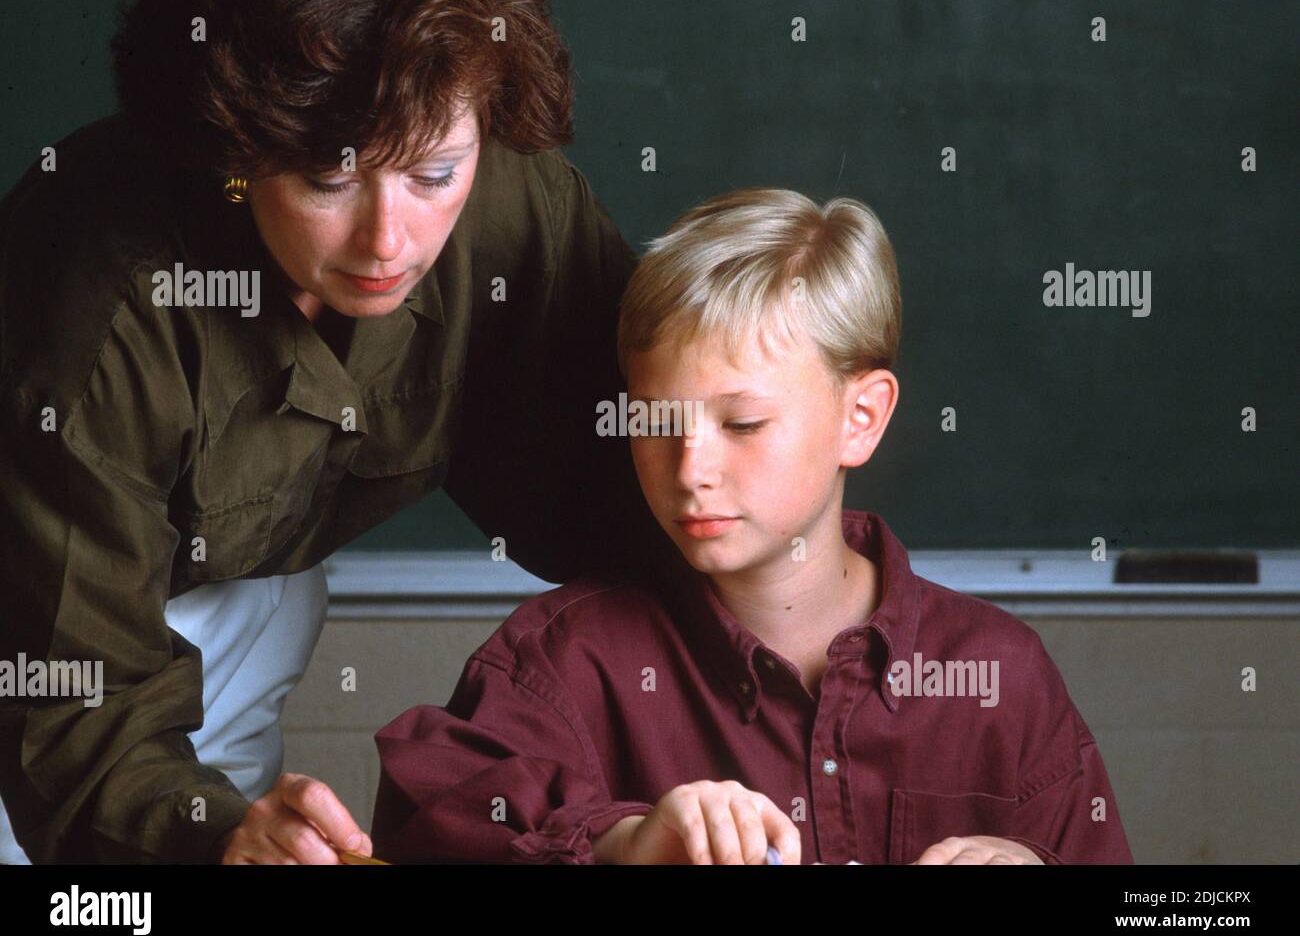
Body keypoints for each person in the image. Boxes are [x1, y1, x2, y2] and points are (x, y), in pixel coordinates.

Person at [0, 0, 672, 864]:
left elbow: (662, 501)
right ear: (233, 151)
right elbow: (74, 710)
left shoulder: (513, 200)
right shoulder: (99, 305)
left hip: (244, 581)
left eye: (435, 174)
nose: (388, 241)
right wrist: (206, 842)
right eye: (328, 179)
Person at [370, 187, 1135, 864]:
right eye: (655, 420)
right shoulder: (560, 667)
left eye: (741, 423)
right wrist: (619, 848)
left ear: (860, 418)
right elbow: (423, 830)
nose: (689, 469)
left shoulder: (1003, 678)